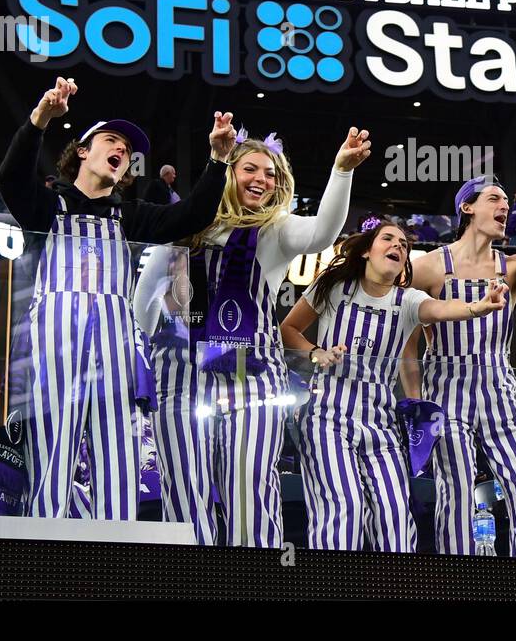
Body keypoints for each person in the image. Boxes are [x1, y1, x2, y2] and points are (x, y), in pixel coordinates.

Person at [0, 77, 232, 520]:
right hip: (55, 341)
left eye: (127, 148)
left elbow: (193, 215)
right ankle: (43, 552)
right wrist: (40, 120)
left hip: (116, 343)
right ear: (83, 151)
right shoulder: (46, 206)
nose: (121, 150)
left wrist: (218, 159)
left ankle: (115, 555)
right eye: (111, 140)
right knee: (53, 453)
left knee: (119, 454)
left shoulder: (129, 215)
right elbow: (9, 177)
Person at [135, 123, 369, 546]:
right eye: (250, 169)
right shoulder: (187, 226)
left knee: (251, 491)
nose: (261, 179)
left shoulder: (274, 230)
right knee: (184, 495)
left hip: (253, 377)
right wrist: (146, 360)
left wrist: (341, 171)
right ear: (228, 172)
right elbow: (143, 302)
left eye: (270, 173)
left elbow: (323, 233)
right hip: (181, 378)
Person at [279, 218, 506, 552]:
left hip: (380, 424)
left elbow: (441, 309)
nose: (398, 247)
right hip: (326, 416)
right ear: (367, 251)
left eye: (404, 245)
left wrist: (477, 307)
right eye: (388, 239)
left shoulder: (409, 300)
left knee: (396, 515)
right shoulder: (333, 286)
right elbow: (288, 329)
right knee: (344, 508)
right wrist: (316, 353)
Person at [404, 162, 516, 557]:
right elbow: (406, 343)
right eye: (494, 199)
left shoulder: (511, 266)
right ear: (467, 208)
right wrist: (416, 403)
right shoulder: (429, 266)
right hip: (444, 388)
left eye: (506, 202)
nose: (505, 207)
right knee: (457, 489)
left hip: (500, 386)